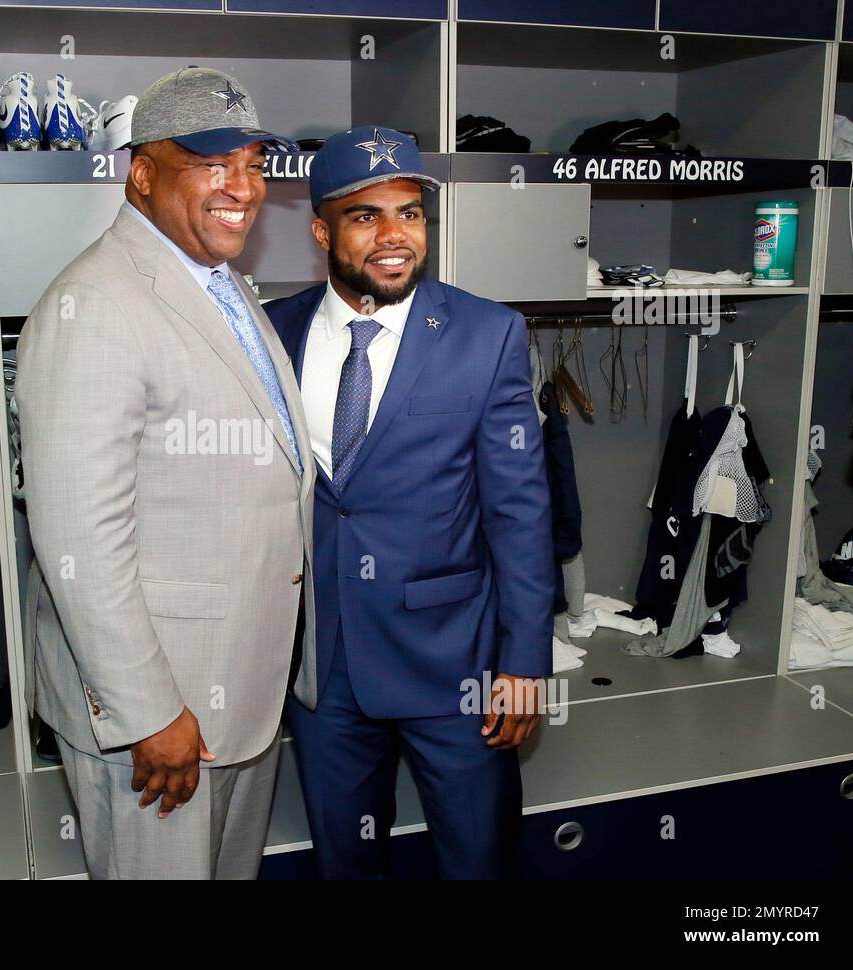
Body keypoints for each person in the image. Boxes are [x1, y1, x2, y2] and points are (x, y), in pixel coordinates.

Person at [15, 68, 316, 880]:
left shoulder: (219, 284)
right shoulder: (95, 307)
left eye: (255, 163)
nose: (244, 187)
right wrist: (151, 715)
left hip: (239, 689)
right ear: (141, 174)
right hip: (160, 716)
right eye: (213, 162)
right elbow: (80, 539)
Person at [264, 125, 554, 879]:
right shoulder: (274, 331)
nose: (395, 237)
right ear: (323, 229)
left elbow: (520, 513)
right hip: (323, 672)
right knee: (346, 865)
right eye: (367, 217)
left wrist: (525, 662)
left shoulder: (487, 335)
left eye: (411, 213)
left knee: (478, 860)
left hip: (455, 667)